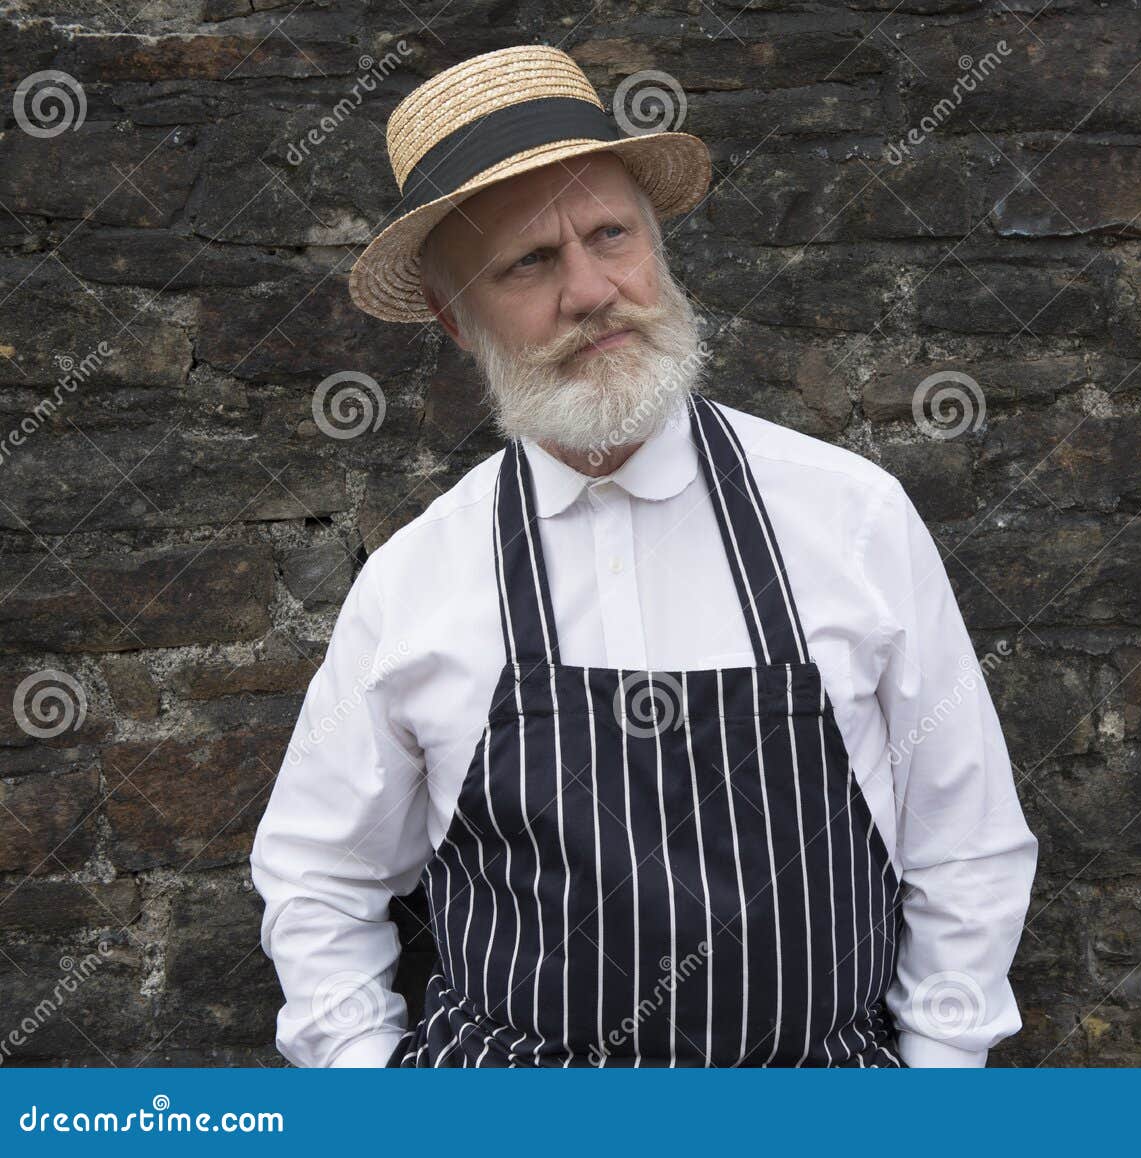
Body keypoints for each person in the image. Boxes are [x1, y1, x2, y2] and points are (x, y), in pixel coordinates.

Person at [249, 43, 1037, 1068]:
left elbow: (964, 843)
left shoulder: (850, 518)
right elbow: (317, 875)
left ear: (655, 245)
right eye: (526, 263)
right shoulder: (417, 581)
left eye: (609, 234)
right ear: (454, 320)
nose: (588, 290)